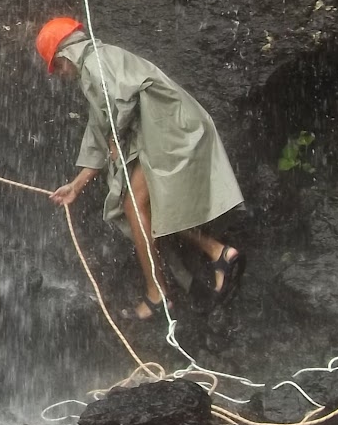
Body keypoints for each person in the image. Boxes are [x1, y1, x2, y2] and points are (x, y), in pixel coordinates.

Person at [36, 16, 245, 320]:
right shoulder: (97, 65)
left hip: (170, 131)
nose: (61, 74)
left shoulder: (97, 62)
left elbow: (118, 107)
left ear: (64, 54)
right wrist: (76, 186)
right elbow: (98, 129)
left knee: (135, 205)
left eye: (58, 67)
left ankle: (158, 292)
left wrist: (114, 139)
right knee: (143, 206)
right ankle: (217, 254)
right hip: (166, 131)